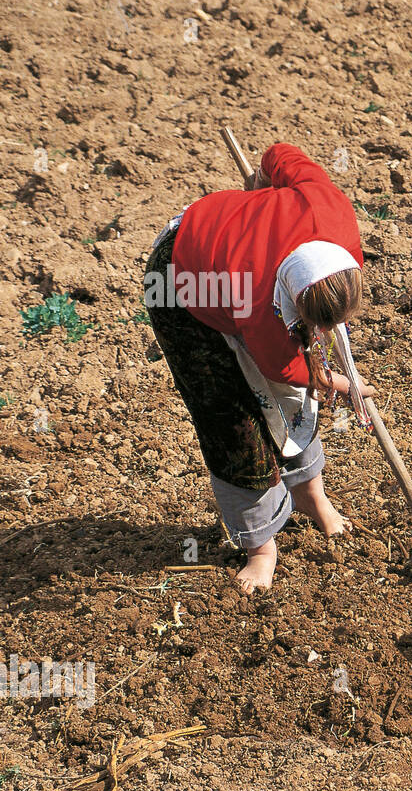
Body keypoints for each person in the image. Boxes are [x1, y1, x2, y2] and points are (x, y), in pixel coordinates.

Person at [143, 143, 373, 593]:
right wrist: (341, 383)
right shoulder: (253, 302)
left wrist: (266, 184)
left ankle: (311, 498)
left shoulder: (331, 210)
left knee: (294, 405)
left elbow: (281, 152)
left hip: (244, 258)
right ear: (290, 302)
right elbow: (282, 370)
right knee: (236, 417)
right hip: (188, 283)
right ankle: (261, 547)